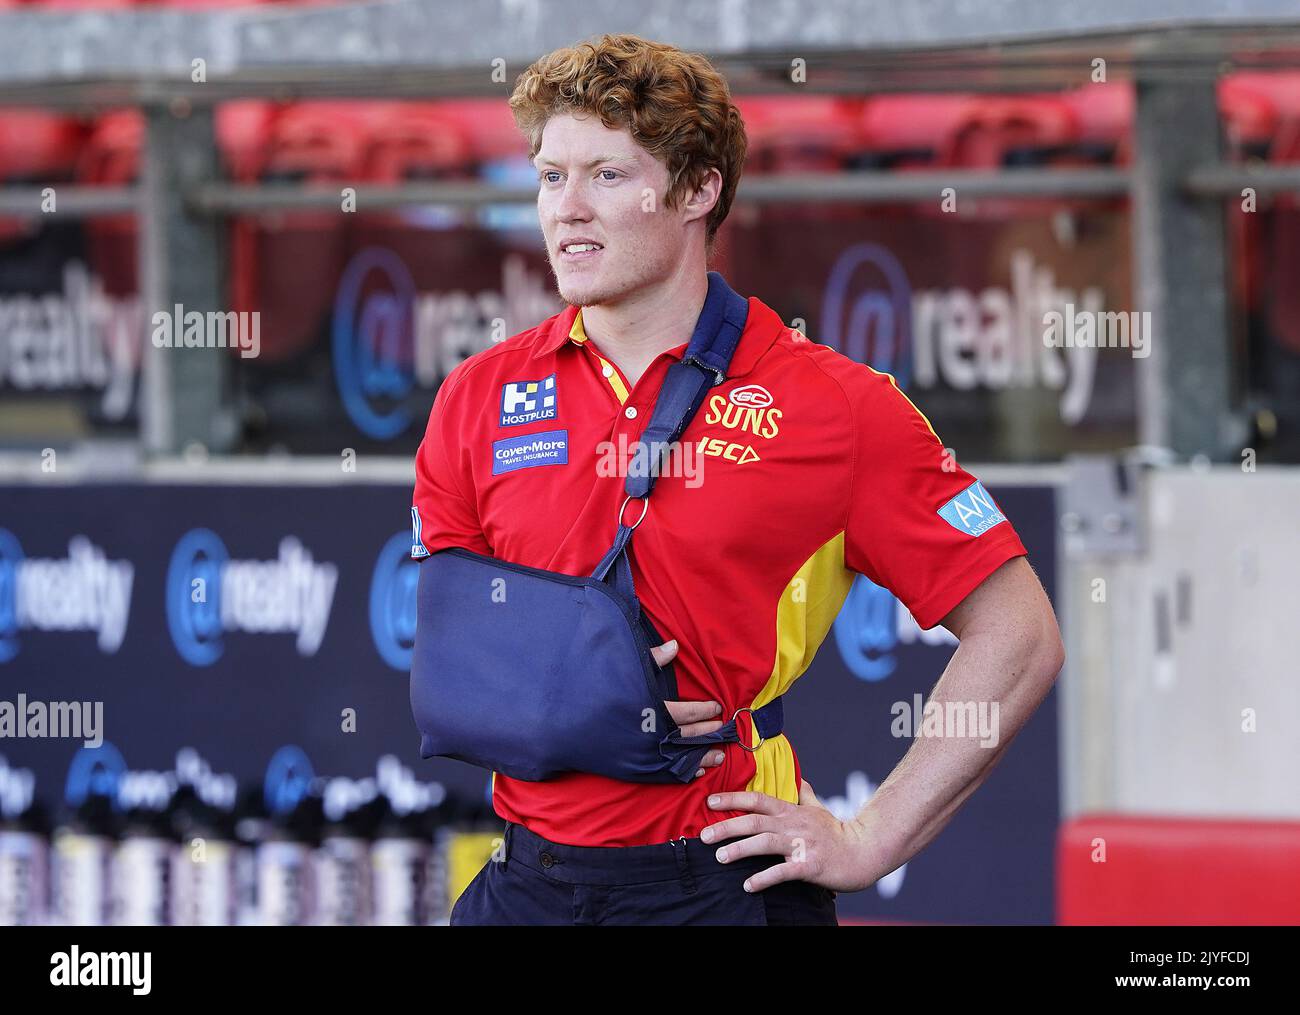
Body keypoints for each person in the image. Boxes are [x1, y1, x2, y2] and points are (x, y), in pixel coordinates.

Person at [411, 33, 1064, 925]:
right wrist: (598, 703)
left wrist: (871, 838)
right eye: (550, 175)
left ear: (698, 189)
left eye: (607, 175)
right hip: (525, 885)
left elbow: (1019, 634)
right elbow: (456, 666)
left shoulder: (835, 404)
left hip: (720, 888)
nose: (567, 210)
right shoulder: (477, 396)